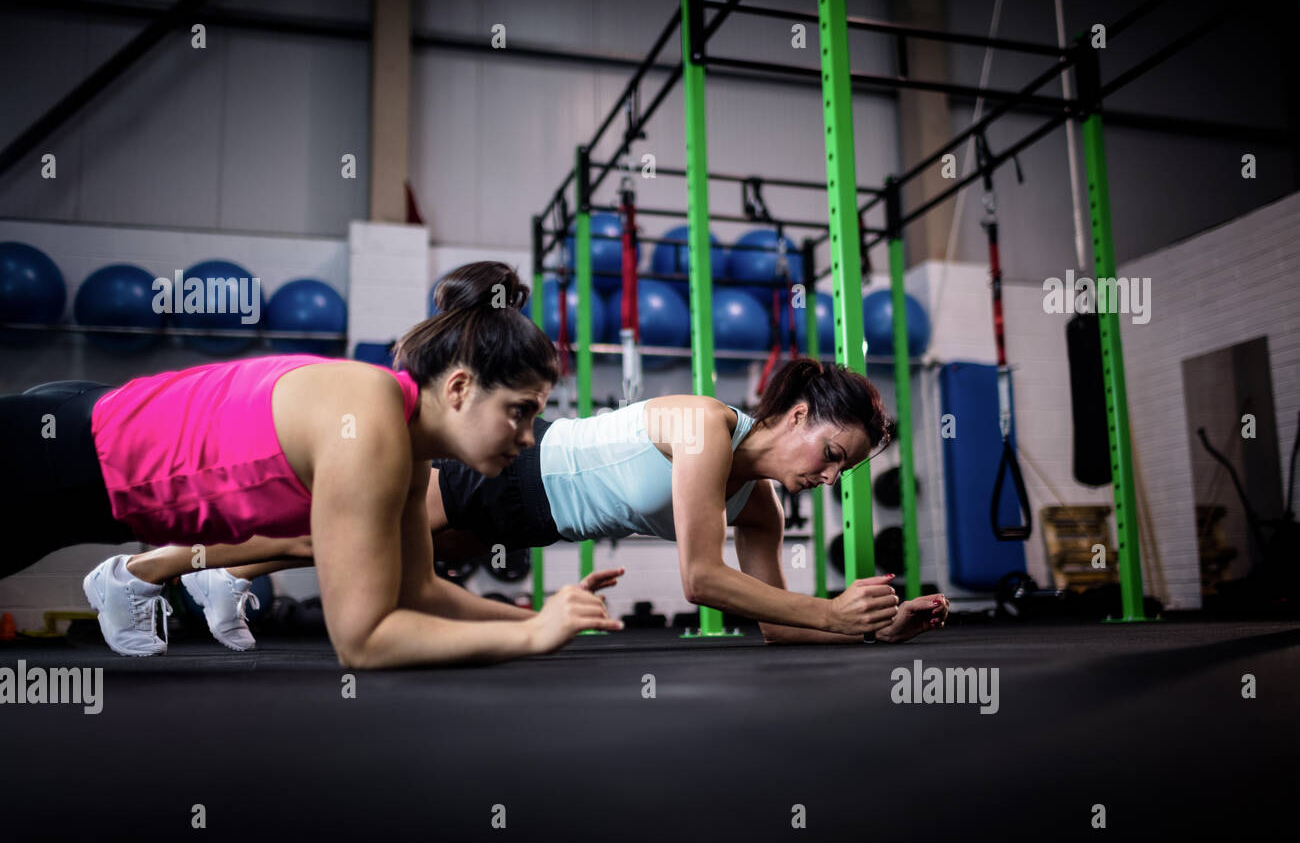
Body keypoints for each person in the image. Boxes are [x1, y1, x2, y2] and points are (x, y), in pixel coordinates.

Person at [0, 268, 623, 667]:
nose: (526, 437)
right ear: (459, 388)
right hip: (47, 464)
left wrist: (533, 615)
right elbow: (365, 640)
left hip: (75, 452)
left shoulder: (404, 442)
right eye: (518, 413)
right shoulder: (371, 423)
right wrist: (530, 637)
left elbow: (419, 592)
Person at [156, 340, 945, 645]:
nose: (833, 476)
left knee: (370, 557)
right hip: (511, 475)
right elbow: (703, 581)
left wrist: (873, 627)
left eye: (846, 469)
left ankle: (221, 575)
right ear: (798, 414)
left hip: (534, 523)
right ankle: (167, 566)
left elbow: (777, 625)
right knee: (334, 535)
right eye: (833, 453)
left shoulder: (761, 505)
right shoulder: (709, 425)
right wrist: (833, 608)